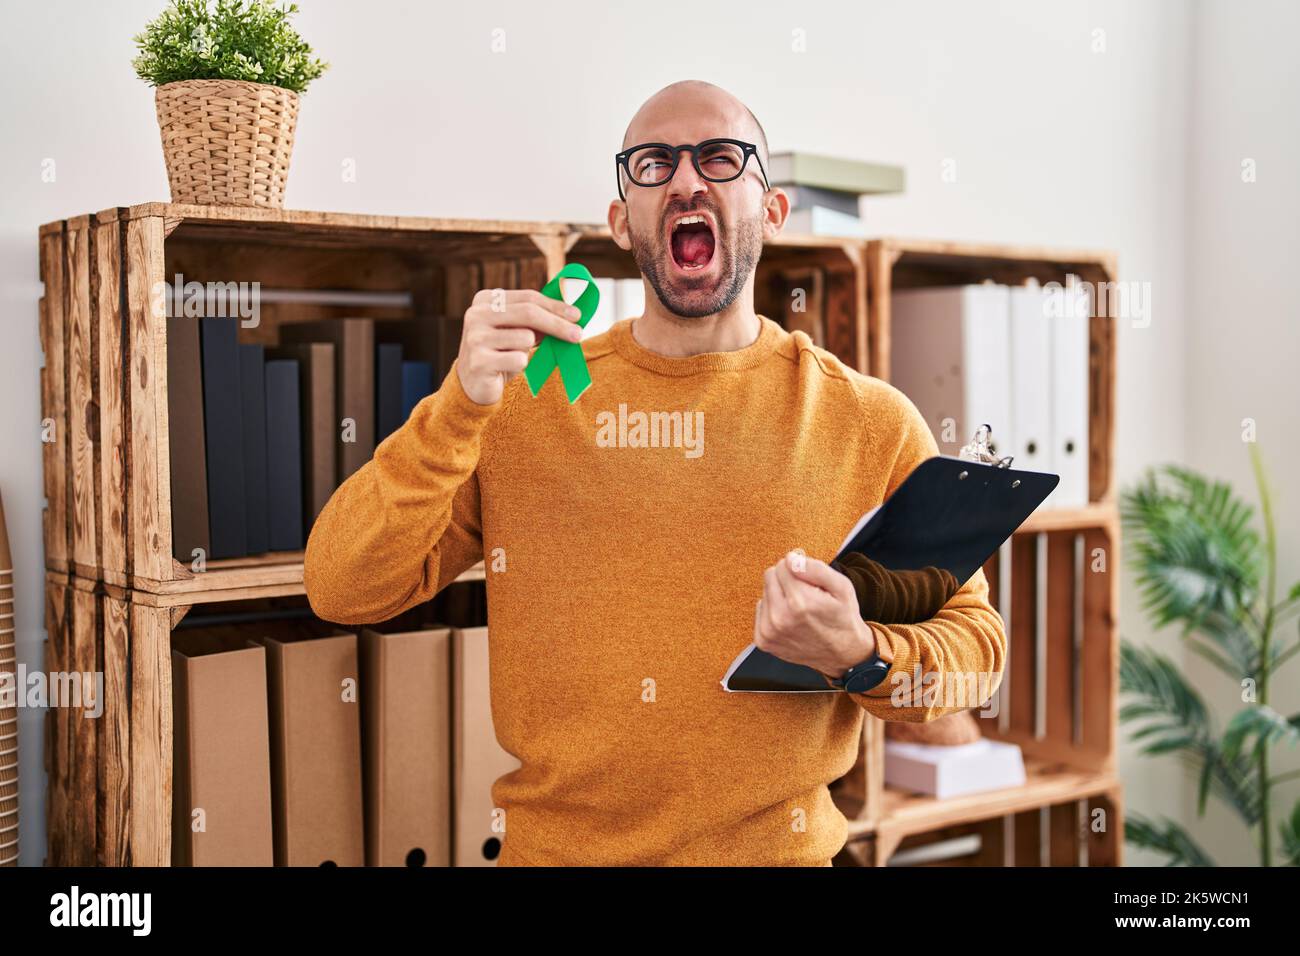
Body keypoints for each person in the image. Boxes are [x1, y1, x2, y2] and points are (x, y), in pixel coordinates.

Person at [303, 79, 1006, 866]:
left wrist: (861, 653)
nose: (684, 180)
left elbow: (975, 658)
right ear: (620, 218)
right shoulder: (529, 401)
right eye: (652, 164)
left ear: (771, 214)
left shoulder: (868, 421)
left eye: (718, 157)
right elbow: (342, 587)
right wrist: (458, 404)